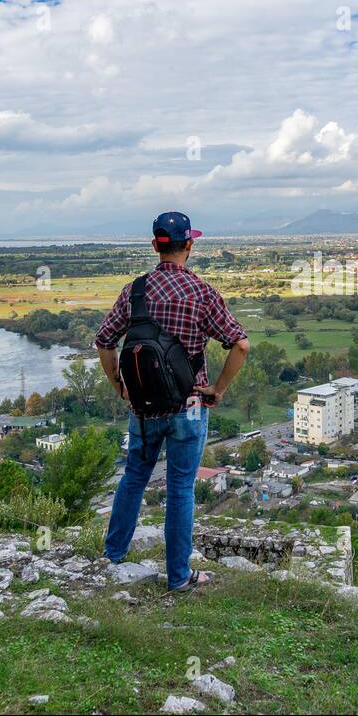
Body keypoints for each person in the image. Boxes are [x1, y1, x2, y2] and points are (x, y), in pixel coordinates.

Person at [94, 211, 250, 592]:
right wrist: (218, 389)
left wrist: (119, 384)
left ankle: (113, 555)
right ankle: (179, 577)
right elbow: (240, 344)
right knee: (180, 489)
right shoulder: (201, 293)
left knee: (133, 478)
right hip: (190, 406)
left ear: (155, 246)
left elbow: (104, 341)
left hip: (143, 408)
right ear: (190, 245)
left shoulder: (136, 291)